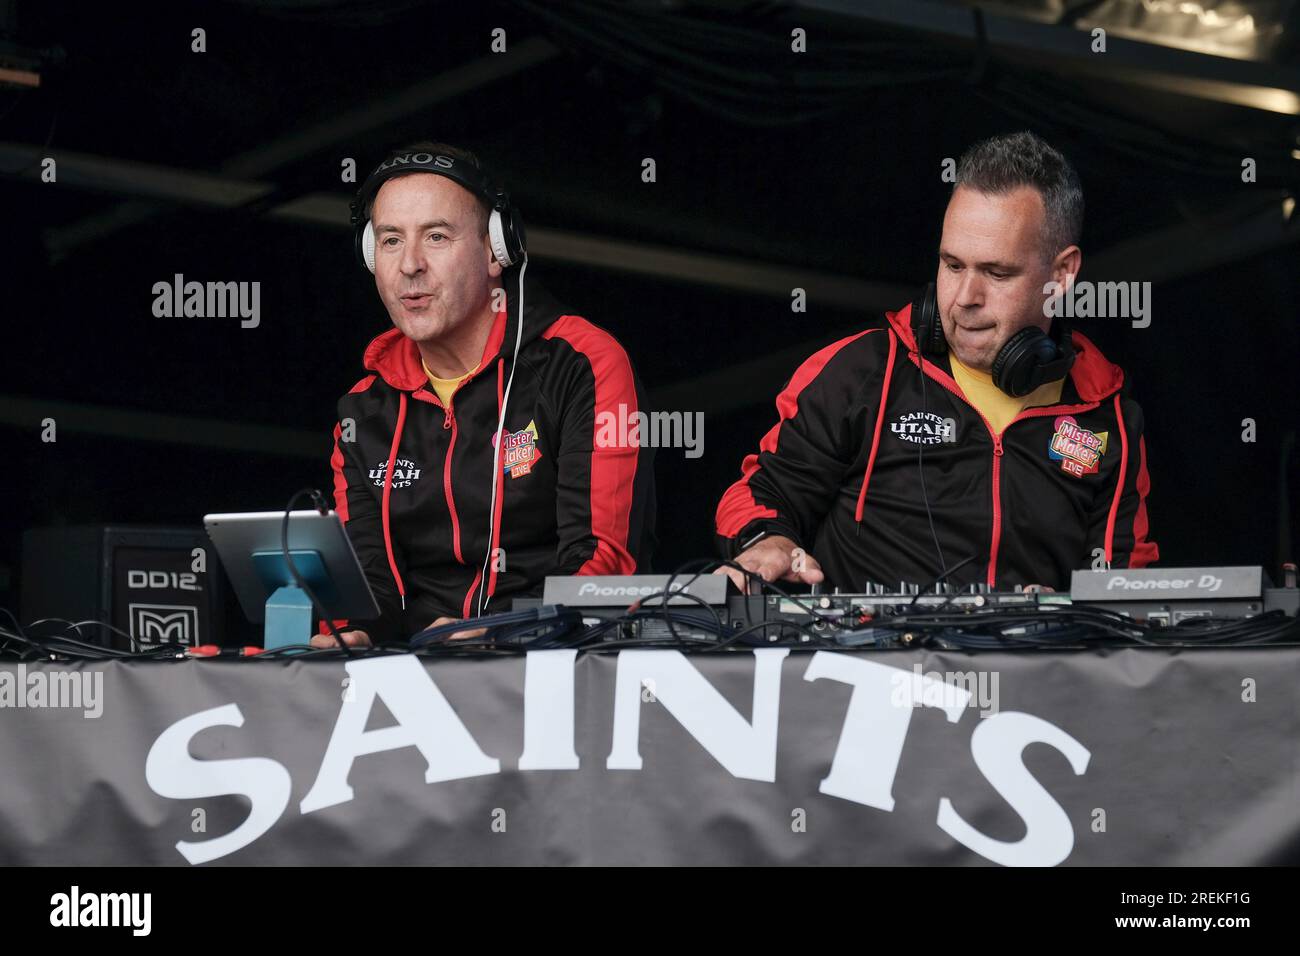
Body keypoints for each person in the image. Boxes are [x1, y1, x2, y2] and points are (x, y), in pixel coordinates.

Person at [715, 131, 1157, 594]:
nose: (965, 298)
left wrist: (1067, 612)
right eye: (952, 265)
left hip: (1028, 664)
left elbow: (1125, 589)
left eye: (996, 272)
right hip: (859, 662)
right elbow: (762, 493)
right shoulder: (861, 370)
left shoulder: (1108, 418)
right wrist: (768, 540)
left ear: (1062, 274)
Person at [312, 142, 655, 647]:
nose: (410, 264)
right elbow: (369, 586)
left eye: (436, 236)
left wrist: (493, 634)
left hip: (557, 672)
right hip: (415, 685)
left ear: (498, 249)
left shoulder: (581, 363)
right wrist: (350, 633)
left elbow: (603, 568)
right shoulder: (363, 411)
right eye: (389, 241)